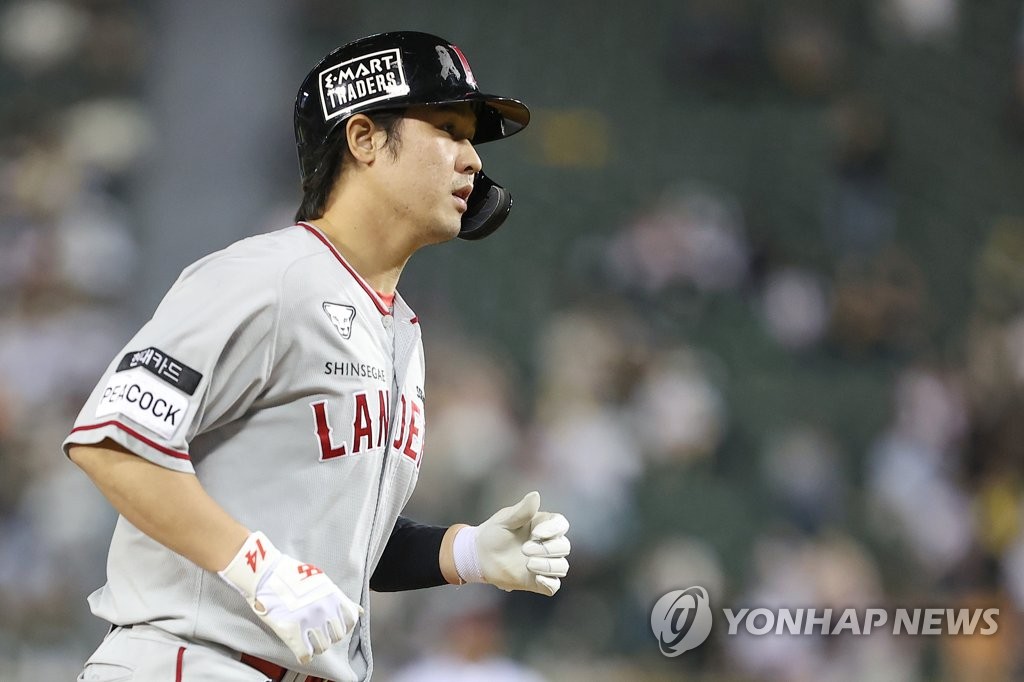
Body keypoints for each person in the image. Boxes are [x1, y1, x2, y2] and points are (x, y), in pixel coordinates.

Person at [64, 31, 571, 682]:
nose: (472, 160)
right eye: (448, 129)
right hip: (191, 662)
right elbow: (113, 443)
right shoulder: (267, 275)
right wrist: (257, 569)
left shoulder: (400, 328)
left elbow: (329, 536)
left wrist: (465, 551)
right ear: (363, 139)